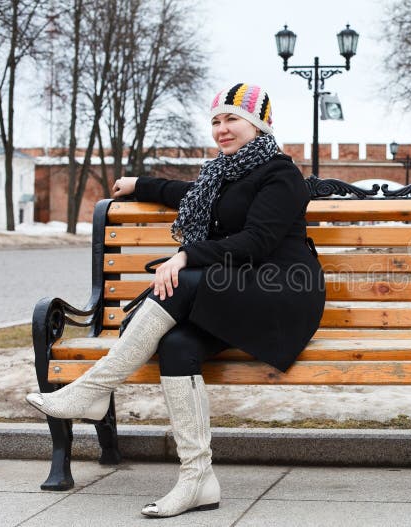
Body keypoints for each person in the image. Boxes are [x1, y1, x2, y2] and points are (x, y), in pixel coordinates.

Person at [26, 83, 326, 518]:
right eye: (216, 121)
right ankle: (197, 479)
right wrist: (138, 184)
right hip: (236, 294)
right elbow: (183, 194)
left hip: (282, 293)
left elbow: (258, 241)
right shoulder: (221, 175)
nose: (222, 129)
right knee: (177, 347)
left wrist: (186, 254)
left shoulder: (280, 174)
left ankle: (94, 390)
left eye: (232, 119)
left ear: (259, 125)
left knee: (183, 279)